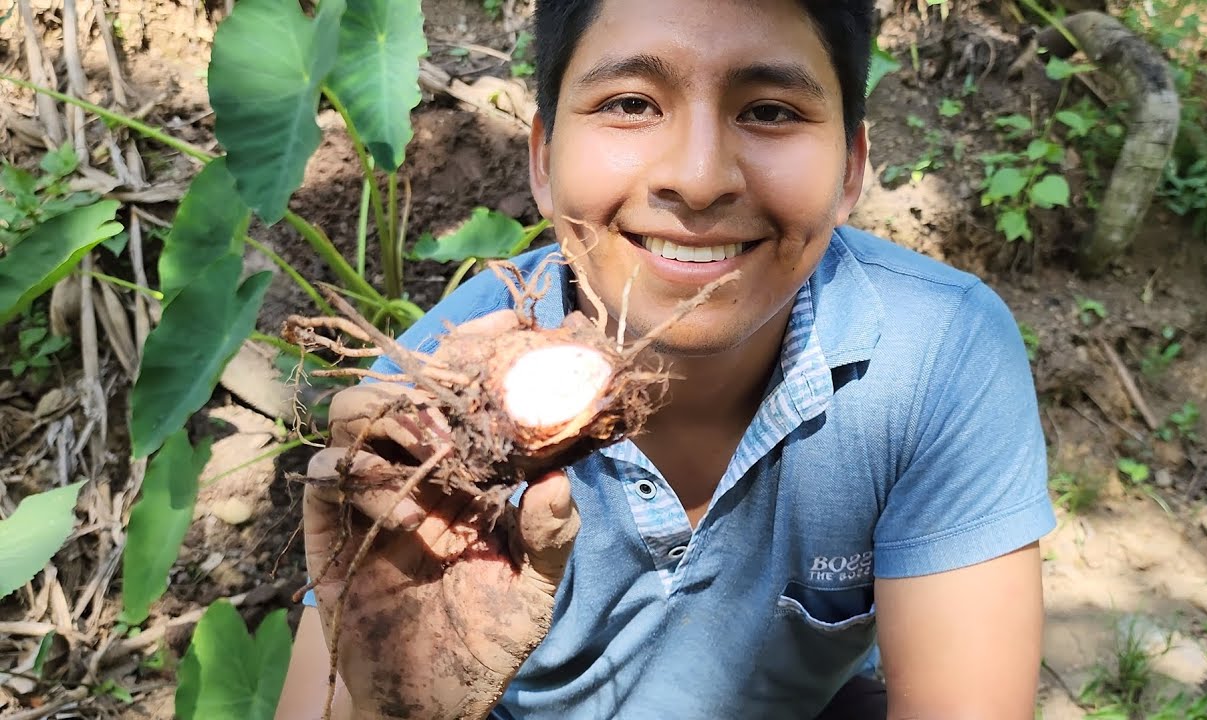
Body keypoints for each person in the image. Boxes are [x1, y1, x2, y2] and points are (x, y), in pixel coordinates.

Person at [276, 0, 1058, 717]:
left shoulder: (935, 351)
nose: (697, 178)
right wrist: (392, 706)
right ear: (544, 159)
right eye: (629, 105)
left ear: (850, 168)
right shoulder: (429, 413)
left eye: (771, 111)